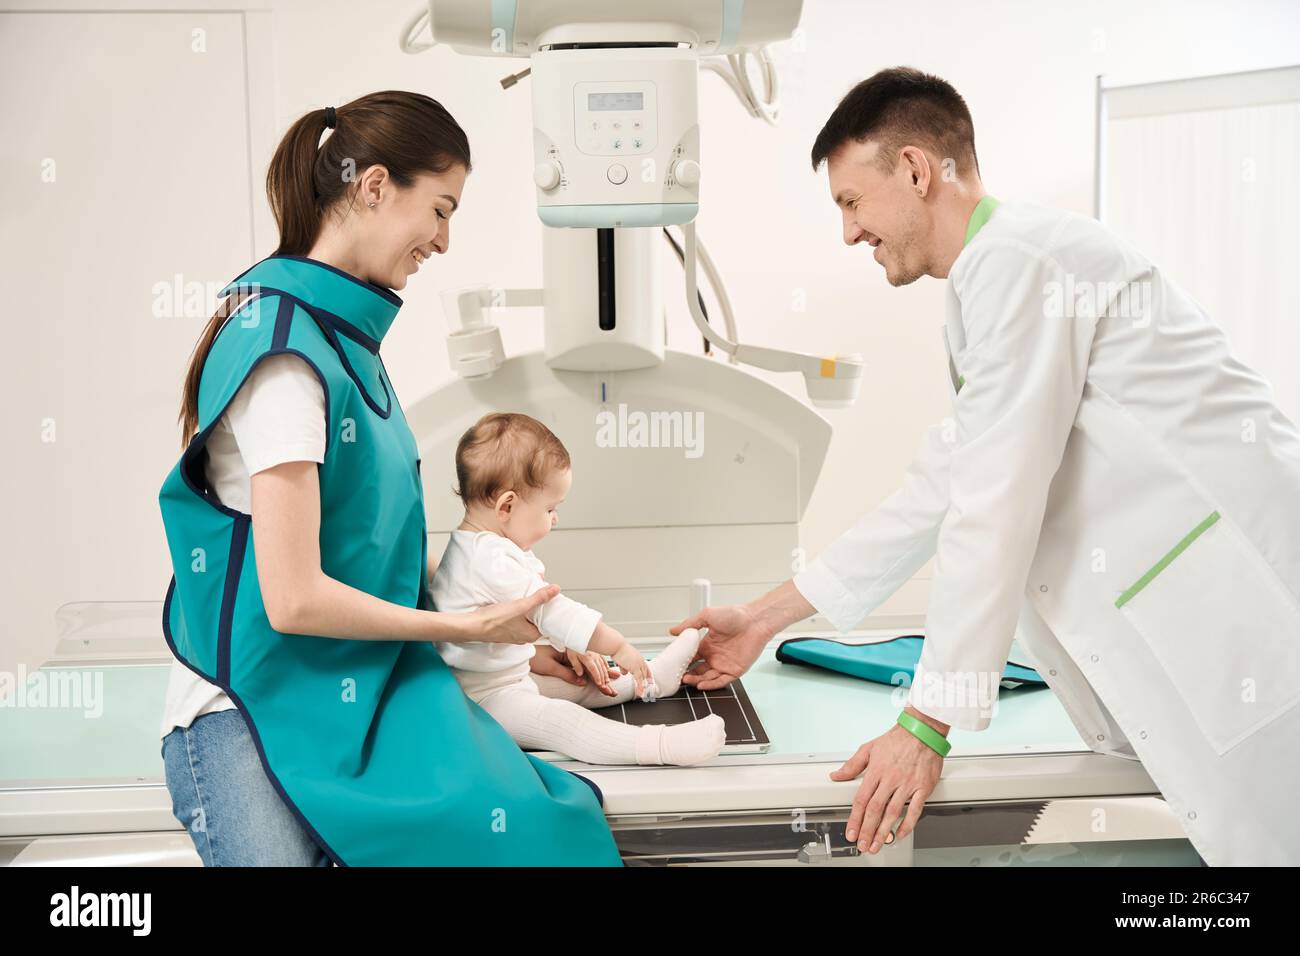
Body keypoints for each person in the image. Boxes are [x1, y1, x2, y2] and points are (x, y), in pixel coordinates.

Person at [673, 67, 1300, 867]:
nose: (848, 233)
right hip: (1203, 626)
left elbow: (991, 499)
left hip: (1236, 628)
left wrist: (927, 721)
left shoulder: (1026, 262)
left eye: (850, 202)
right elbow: (943, 486)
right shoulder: (997, 279)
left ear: (914, 169)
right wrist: (762, 618)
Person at [159, 92, 621, 866]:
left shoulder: (342, 343)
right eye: (439, 209)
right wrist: (465, 629)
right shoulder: (285, 358)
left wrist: (507, 651)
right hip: (246, 705)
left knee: (535, 828)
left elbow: (369, 554)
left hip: (348, 684)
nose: (443, 240)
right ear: (373, 186)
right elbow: (295, 597)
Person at [430, 412, 726, 766]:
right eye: (550, 508)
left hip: (510, 677)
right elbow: (552, 611)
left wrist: (567, 645)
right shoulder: (490, 558)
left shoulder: (477, 545)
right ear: (506, 506)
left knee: (581, 685)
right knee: (563, 722)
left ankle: (653, 681)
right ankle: (661, 745)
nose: (555, 518)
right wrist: (619, 646)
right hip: (484, 700)